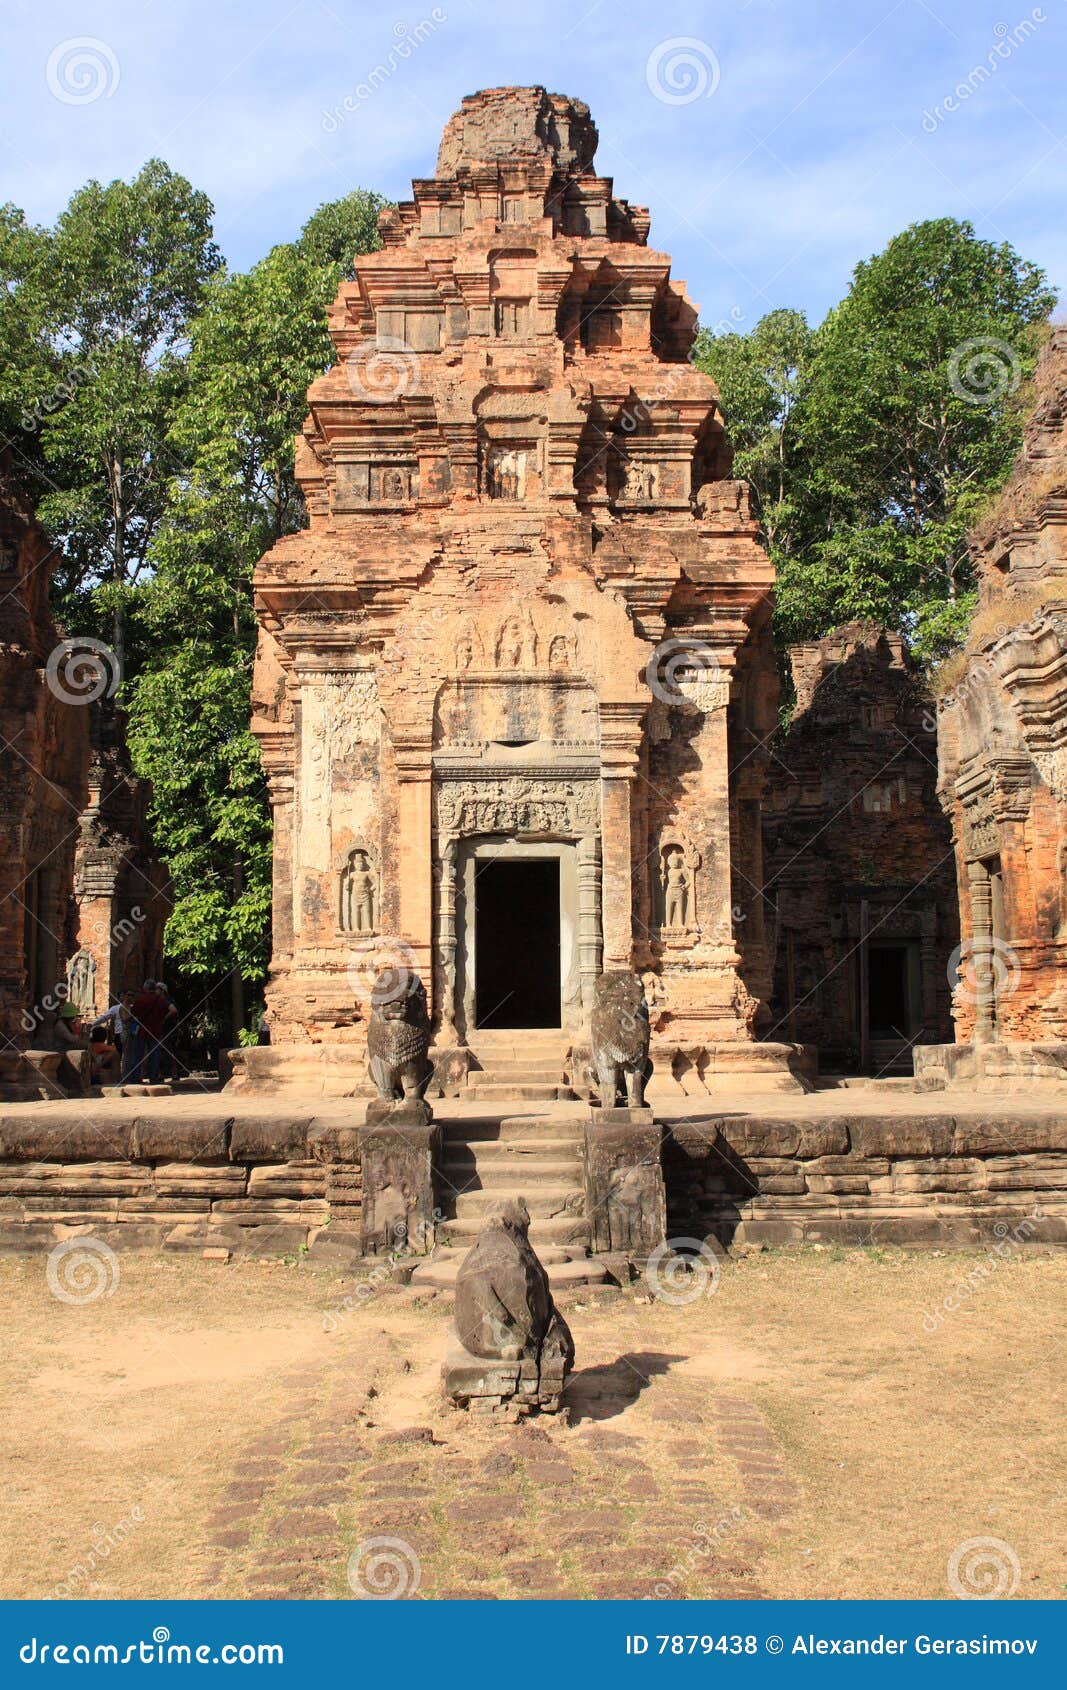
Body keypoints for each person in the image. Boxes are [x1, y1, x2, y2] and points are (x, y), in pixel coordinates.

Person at [92, 990, 138, 1080]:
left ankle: (126, 1075)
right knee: (119, 1056)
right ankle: (120, 1076)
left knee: (128, 1056)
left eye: (130, 995)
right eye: (124, 996)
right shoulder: (116, 1008)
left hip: (130, 1034)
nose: (126, 998)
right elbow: (105, 1017)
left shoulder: (132, 1008)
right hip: (119, 1034)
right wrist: (94, 1024)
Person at [130, 980, 168, 1084]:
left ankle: (135, 1077)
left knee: (138, 1055)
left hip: (142, 1030)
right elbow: (165, 1012)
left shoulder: (141, 999)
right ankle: (153, 1077)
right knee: (155, 1055)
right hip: (156, 1030)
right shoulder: (160, 1000)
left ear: (145, 988)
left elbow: (133, 1012)